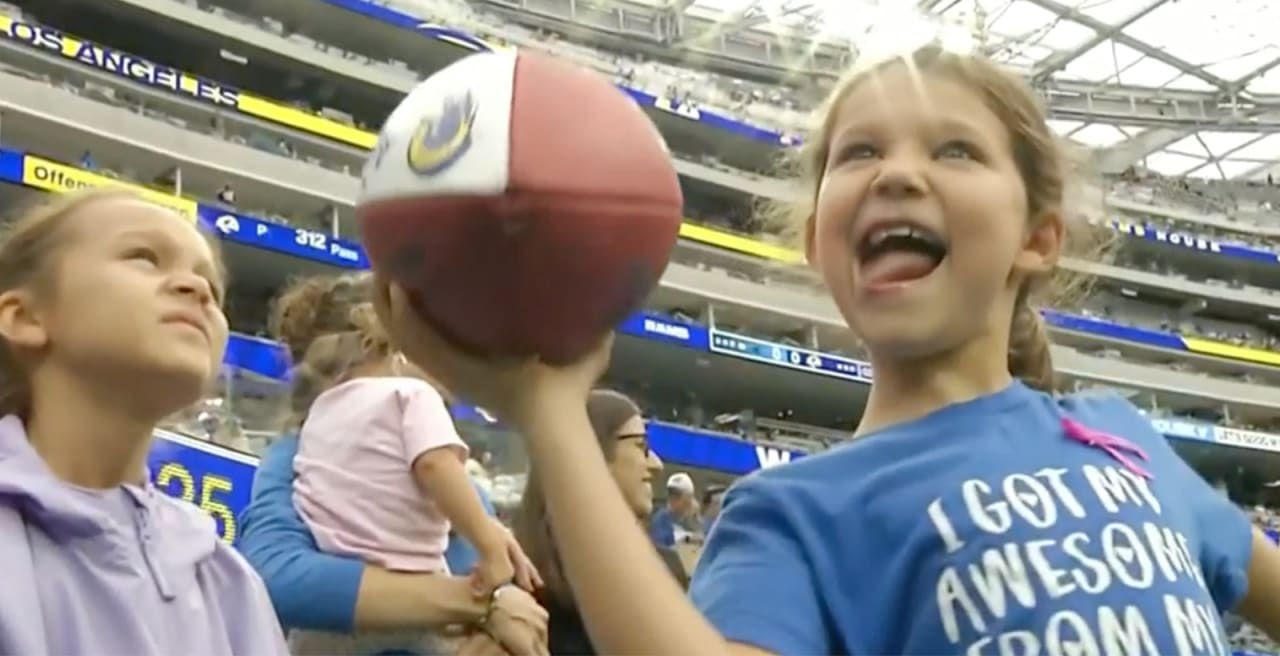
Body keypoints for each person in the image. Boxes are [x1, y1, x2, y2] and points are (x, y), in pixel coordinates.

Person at [371, 44, 1280, 655]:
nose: (897, 172)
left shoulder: (1121, 438)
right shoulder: (791, 513)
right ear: (818, 244)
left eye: (955, 151)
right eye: (859, 153)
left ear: (1038, 238)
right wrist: (550, 413)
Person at [0, 190, 287, 654]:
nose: (197, 290)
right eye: (144, 257)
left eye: (212, 287)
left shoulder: (228, 580)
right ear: (25, 317)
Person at [238, 273, 548, 656]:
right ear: (385, 342)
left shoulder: (465, 488)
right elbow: (277, 577)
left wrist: (499, 614)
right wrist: (479, 603)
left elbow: (515, 606)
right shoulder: (296, 453)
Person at [511, 389, 688, 655]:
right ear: (591, 451)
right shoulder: (511, 579)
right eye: (641, 446)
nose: (656, 464)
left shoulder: (665, 570)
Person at [650, 471, 700, 548]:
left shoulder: (693, 519)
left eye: (678, 496)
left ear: (689, 499)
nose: (672, 499)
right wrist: (686, 538)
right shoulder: (662, 518)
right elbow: (660, 545)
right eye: (671, 494)